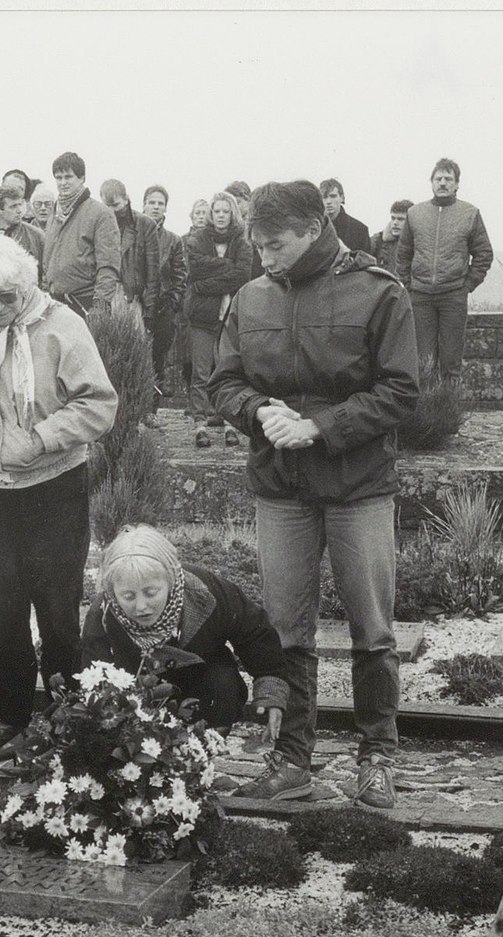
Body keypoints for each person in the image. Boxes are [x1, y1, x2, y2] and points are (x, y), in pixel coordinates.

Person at [210, 180, 419, 811]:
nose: (265, 257)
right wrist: (256, 411)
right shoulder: (250, 298)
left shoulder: (379, 291)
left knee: (373, 631)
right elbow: (223, 381)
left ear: (312, 229)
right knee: (285, 632)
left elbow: (401, 390)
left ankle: (377, 755)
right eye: (257, 246)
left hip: (358, 488)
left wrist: (319, 428)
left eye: (275, 245)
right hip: (281, 489)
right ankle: (291, 760)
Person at [0, 235, 118, 761]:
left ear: (28, 285)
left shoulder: (62, 326)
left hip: (53, 485)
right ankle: (10, 718)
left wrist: (39, 439)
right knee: (4, 606)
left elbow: (98, 404)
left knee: (57, 609)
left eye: (6, 297)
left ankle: (66, 723)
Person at [81, 525, 288, 735]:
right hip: (138, 693)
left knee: (222, 684)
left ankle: (208, 744)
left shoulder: (205, 592)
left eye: (151, 592)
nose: (141, 606)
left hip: (203, 680)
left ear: (170, 579)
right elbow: (93, 675)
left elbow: (253, 632)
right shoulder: (103, 614)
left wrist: (270, 688)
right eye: (128, 596)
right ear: (112, 591)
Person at [395, 158, 494, 384]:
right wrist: (409, 285)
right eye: (438, 178)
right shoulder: (415, 213)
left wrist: (467, 285)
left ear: (457, 184)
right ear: (431, 182)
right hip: (421, 297)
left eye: (448, 179)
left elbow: (484, 254)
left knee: (451, 361)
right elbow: (403, 254)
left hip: (453, 296)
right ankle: (426, 406)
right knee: (424, 361)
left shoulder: (470, 213)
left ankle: (449, 405)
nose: (442, 183)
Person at [182, 192, 254, 448]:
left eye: (226, 211)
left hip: (230, 317)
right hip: (203, 315)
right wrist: (226, 266)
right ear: (211, 214)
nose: (221, 215)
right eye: (217, 211)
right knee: (200, 372)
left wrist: (204, 285)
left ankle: (229, 424)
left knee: (228, 371)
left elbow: (241, 276)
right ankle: (200, 425)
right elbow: (195, 269)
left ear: (232, 213)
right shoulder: (198, 239)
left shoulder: (242, 242)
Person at [43, 151, 121, 314]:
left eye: (68, 177)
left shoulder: (101, 213)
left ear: (82, 178)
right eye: (58, 177)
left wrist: (100, 308)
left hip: (85, 303)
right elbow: (47, 261)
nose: (63, 183)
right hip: (55, 303)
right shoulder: (53, 214)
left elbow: (108, 265)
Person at [142, 185, 187, 400]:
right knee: (134, 355)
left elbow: (180, 276)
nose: (156, 207)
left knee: (157, 358)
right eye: (152, 202)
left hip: (162, 309)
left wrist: (171, 303)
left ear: (166, 208)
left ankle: (152, 407)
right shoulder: (134, 234)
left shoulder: (173, 240)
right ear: (144, 205)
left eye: (160, 203)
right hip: (136, 304)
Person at [100, 179, 161, 325]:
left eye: (116, 205)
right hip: (103, 298)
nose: (112, 211)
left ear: (126, 199)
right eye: (107, 206)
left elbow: (153, 274)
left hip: (132, 300)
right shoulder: (98, 223)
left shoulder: (146, 225)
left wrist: (149, 312)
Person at [0, 185, 45, 276]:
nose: (19, 210)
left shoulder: (37, 235)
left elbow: (47, 272)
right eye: (13, 206)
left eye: (20, 204)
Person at [319, 179, 371, 254]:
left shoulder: (360, 231)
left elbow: (365, 260)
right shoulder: (313, 228)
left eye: (333, 196)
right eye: (324, 197)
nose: (328, 201)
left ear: (342, 198)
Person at [368, 200, 412, 272]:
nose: (395, 223)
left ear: (410, 221)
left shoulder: (418, 244)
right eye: (393, 218)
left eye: (401, 219)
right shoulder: (378, 241)